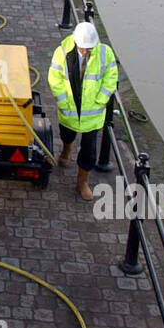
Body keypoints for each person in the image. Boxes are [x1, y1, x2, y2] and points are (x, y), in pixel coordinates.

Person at [47, 22, 119, 202]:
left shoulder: (105, 53)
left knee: (89, 150)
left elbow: (111, 78)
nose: (85, 52)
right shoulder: (62, 52)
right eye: (82, 48)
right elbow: (54, 78)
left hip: (92, 114)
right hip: (70, 110)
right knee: (67, 134)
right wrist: (63, 101)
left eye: (89, 48)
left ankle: (82, 182)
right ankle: (66, 149)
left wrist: (101, 100)